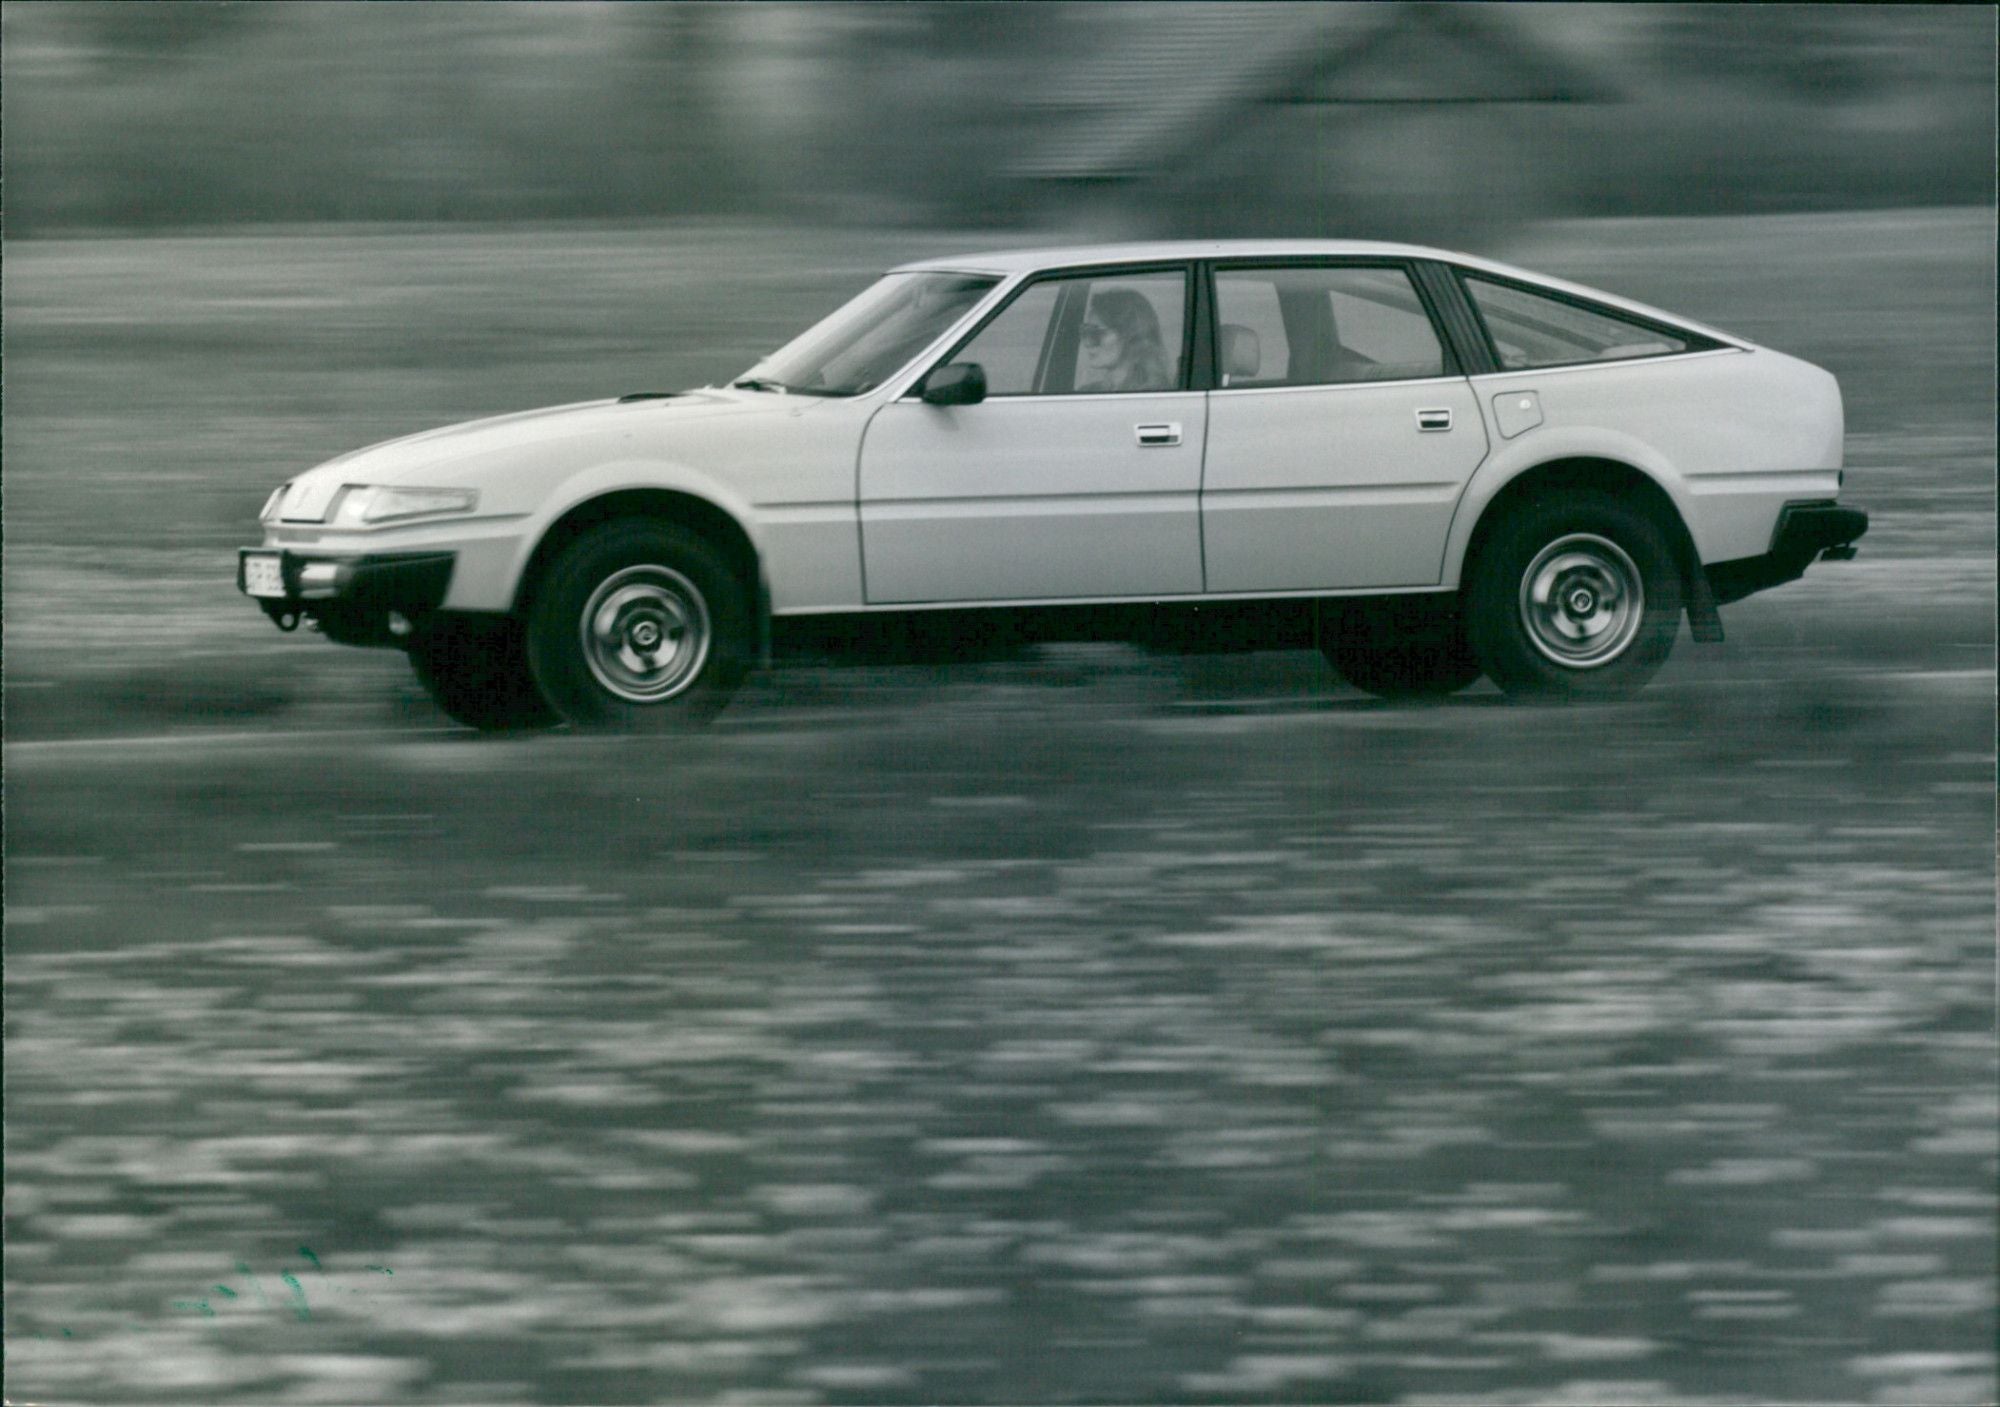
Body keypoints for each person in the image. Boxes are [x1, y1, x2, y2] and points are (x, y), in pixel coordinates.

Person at [1076, 287, 1172, 392]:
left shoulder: (1155, 394)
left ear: (1130, 336)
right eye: (1086, 332)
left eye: (1096, 333)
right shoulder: (1087, 391)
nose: (1087, 343)